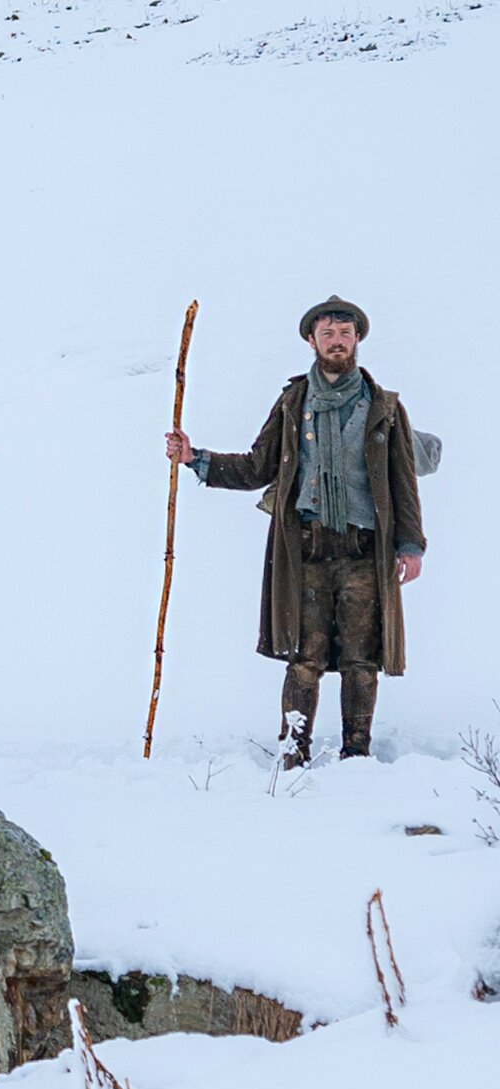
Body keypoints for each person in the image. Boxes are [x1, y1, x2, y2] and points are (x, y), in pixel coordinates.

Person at [166, 296, 428, 765]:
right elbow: (256, 467)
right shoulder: (292, 403)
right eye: (327, 334)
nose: (337, 342)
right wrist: (195, 459)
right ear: (312, 341)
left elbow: (402, 483)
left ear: (357, 340)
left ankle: (356, 754)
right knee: (303, 658)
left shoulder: (384, 408)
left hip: (364, 550)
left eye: (345, 334)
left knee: (361, 660)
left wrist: (410, 545)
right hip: (304, 549)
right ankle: (293, 752)